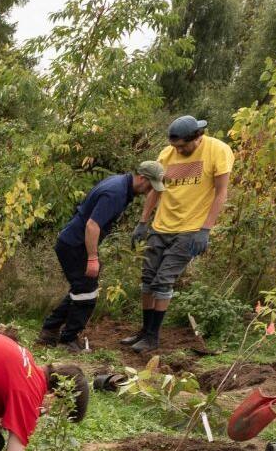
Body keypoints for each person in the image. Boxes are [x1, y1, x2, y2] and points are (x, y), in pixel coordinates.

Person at [124, 115, 234, 353]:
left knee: (163, 280)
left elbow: (221, 192)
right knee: (147, 279)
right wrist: (143, 222)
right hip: (161, 227)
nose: (178, 151)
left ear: (198, 136)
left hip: (190, 230)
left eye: (182, 146)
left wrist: (206, 229)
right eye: (175, 146)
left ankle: (153, 337)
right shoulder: (167, 154)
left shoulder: (218, 151)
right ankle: (145, 331)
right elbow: (156, 190)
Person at [41, 161, 167, 348]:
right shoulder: (116, 193)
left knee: (82, 288)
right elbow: (92, 225)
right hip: (75, 245)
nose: (150, 191)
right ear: (142, 178)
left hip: (73, 241)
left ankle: (49, 331)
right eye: (150, 186)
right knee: (86, 293)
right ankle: (68, 339)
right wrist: (92, 258)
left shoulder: (119, 183)